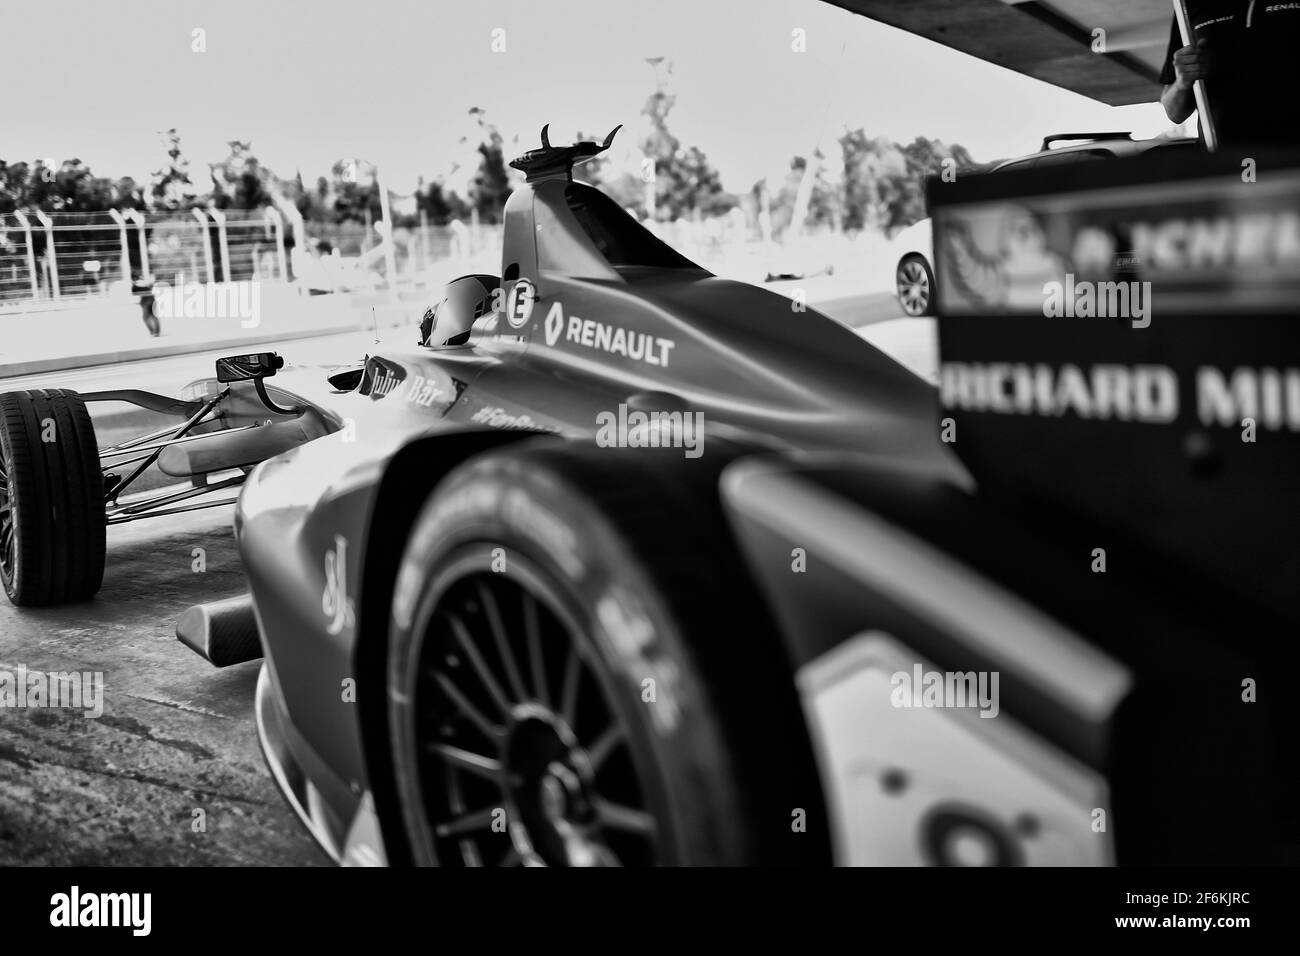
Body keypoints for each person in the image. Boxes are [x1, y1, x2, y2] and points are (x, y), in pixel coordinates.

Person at [1159, 2, 1300, 149]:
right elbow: (1174, 113)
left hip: (1292, 153)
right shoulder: (1186, 6)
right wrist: (1181, 84)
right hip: (1225, 158)